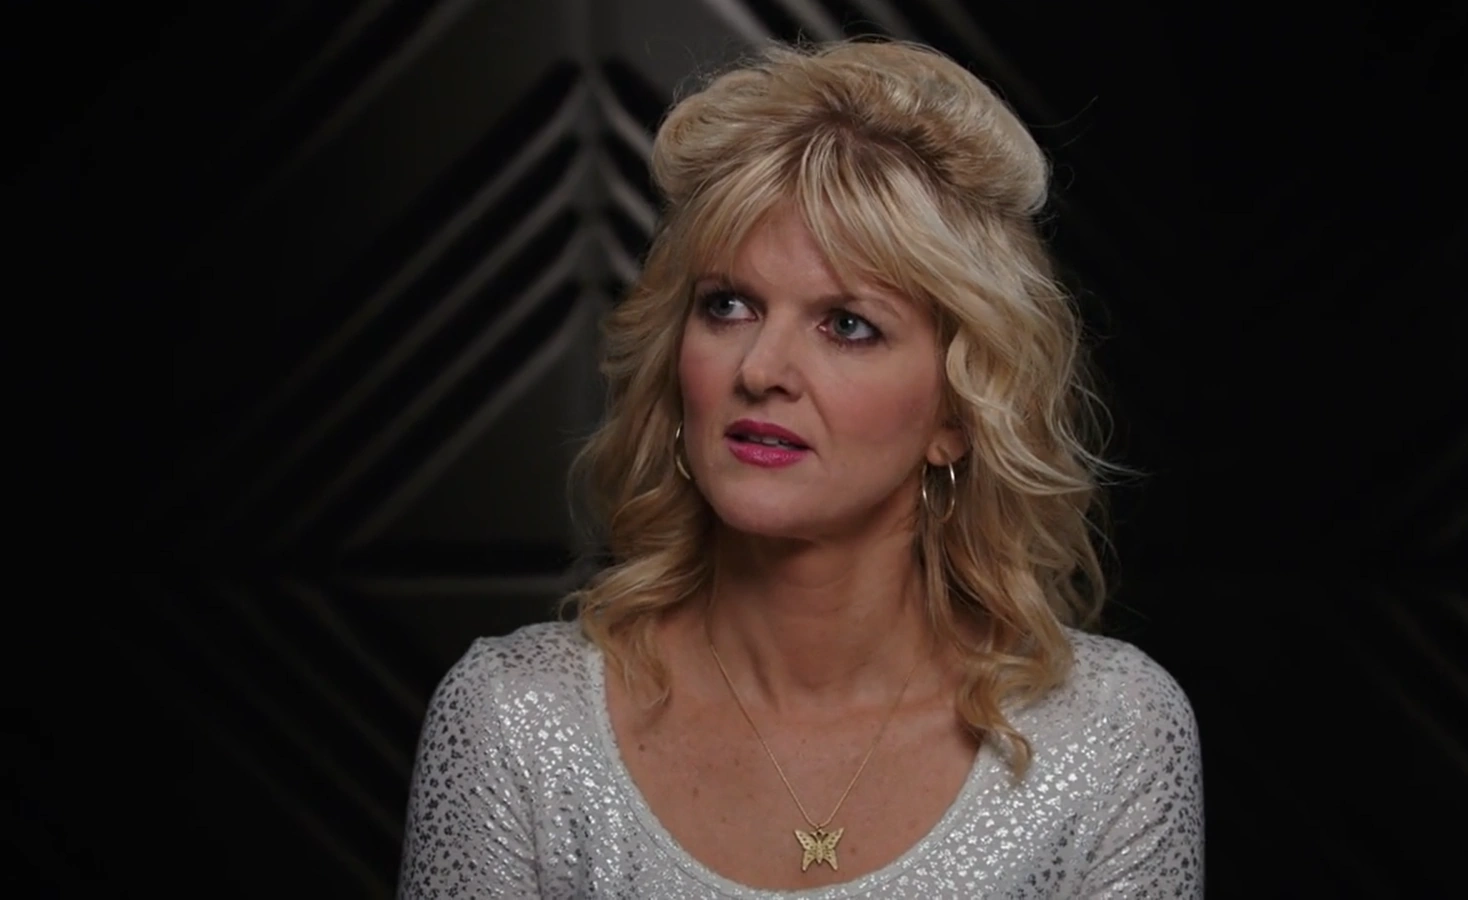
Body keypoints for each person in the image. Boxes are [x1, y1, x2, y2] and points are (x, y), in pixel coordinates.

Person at [398, 38, 1202, 898]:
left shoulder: (1109, 731)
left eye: (847, 324)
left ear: (958, 413)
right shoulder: (517, 720)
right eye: (727, 306)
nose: (760, 369)